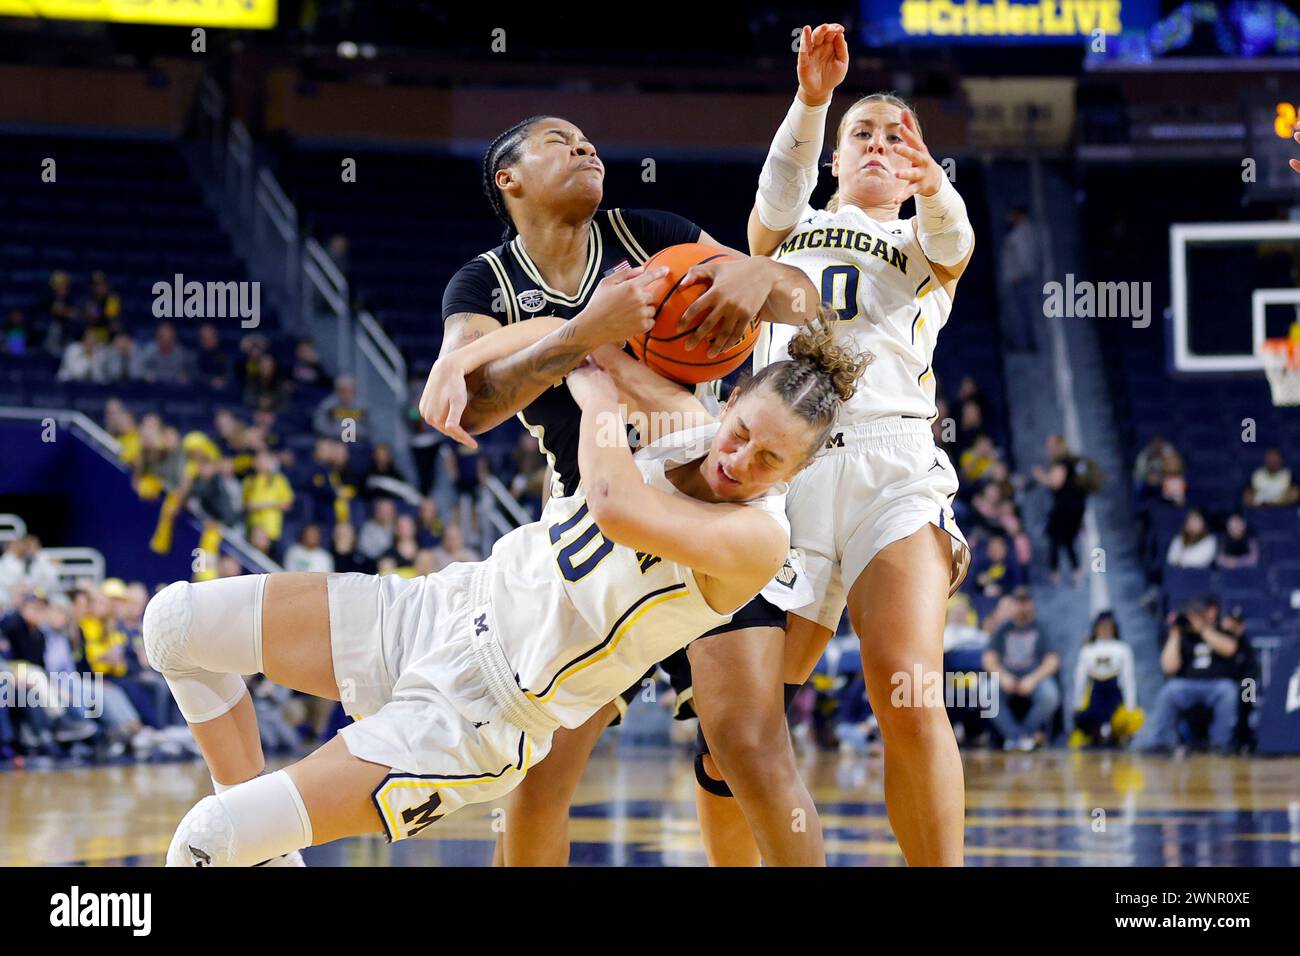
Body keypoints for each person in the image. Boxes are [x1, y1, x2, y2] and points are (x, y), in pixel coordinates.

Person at [153, 317, 863, 866]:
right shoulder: (688, 427)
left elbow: (616, 504)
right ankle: (271, 853)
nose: (739, 461)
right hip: (440, 609)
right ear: (730, 401)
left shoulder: (758, 540)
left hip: (483, 714)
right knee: (173, 626)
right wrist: (466, 358)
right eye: (740, 434)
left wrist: (593, 394)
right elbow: (572, 333)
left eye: (770, 459)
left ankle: (248, 837)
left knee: (208, 837)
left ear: (797, 472)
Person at [424, 107, 827, 867]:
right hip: (588, 528)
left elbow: (807, 310)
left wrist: (764, 271)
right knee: (539, 778)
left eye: (588, 140)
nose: (585, 146)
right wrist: (575, 332)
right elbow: (473, 401)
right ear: (507, 178)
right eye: (558, 141)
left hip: (703, 502)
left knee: (749, 748)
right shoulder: (483, 282)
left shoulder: (650, 230)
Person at [744, 22, 975, 864]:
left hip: (892, 464)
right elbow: (776, 192)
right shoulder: (785, 228)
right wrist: (812, 102)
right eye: (863, 135)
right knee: (741, 718)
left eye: (898, 136)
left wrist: (933, 181)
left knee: (907, 692)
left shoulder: (923, 242)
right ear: (835, 159)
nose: (880, 145)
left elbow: (956, 238)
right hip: (786, 470)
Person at [1136, 598, 1241, 753]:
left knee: (1228, 691)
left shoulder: (1220, 630)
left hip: (1216, 685)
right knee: (1169, 691)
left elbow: (1230, 649)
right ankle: (1161, 742)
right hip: (1187, 685)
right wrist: (1175, 634)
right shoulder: (1183, 636)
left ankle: (1221, 743)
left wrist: (1204, 630)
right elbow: (1168, 668)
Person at [981, 588, 1060, 751]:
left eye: (1025, 602)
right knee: (986, 693)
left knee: (1050, 696)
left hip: (1034, 678)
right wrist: (1003, 677)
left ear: (1031, 604)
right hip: (1007, 677)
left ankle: (1024, 734)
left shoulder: (1041, 628)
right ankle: (1016, 736)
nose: (1022, 607)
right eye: (1018, 602)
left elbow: (1052, 660)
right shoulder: (1002, 629)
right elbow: (989, 658)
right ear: (1013, 604)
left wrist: (1033, 679)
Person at [1070, 611, 1142, 748]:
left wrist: (1130, 707)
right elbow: (1080, 680)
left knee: (1123, 721)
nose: (1105, 630)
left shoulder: (1123, 649)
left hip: (1115, 694)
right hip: (1095, 695)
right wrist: (1077, 705)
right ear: (1095, 629)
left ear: (1114, 628)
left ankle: (1117, 735)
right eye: (1101, 627)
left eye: (1109, 627)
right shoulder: (1087, 650)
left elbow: (1128, 678)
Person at [1032, 434, 1090, 585]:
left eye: (1050, 446)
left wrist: (1041, 476)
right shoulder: (1071, 461)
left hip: (1066, 508)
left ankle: (1057, 573)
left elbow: (1056, 483)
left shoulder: (1062, 462)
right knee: (1065, 540)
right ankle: (1074, 572)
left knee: (1056, 539)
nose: (1047, 449)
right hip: (1073, 507)